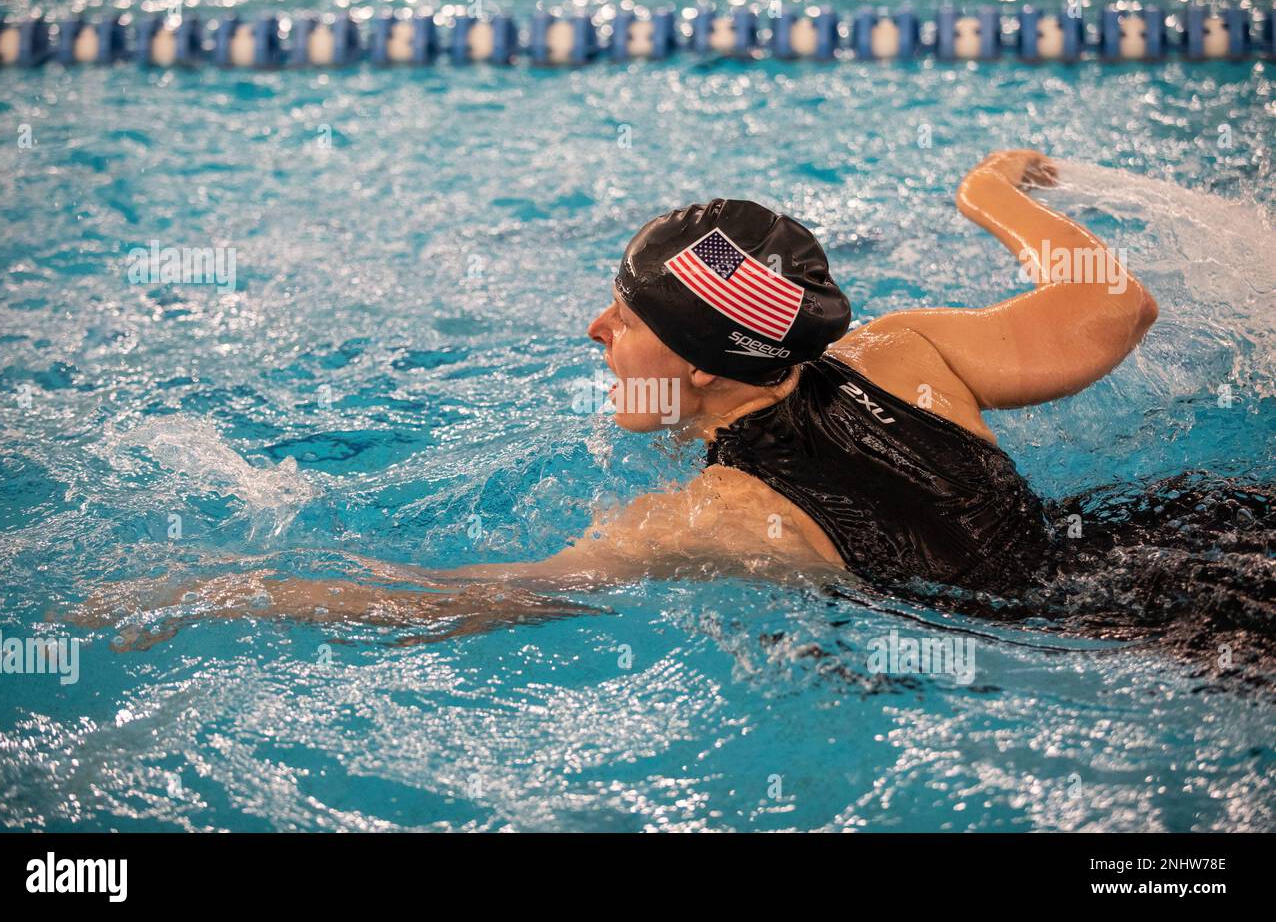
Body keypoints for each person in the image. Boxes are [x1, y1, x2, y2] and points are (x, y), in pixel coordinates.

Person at [74, 149, 1161, 645]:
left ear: (695, 360)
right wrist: (987, 194)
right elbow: (1112, 307)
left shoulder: (715, 515)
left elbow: (461, 598)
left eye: (624, 316)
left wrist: (224, 593)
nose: (595, 330)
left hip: (1089, 651)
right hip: (1148, 545)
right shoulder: (902, 349)